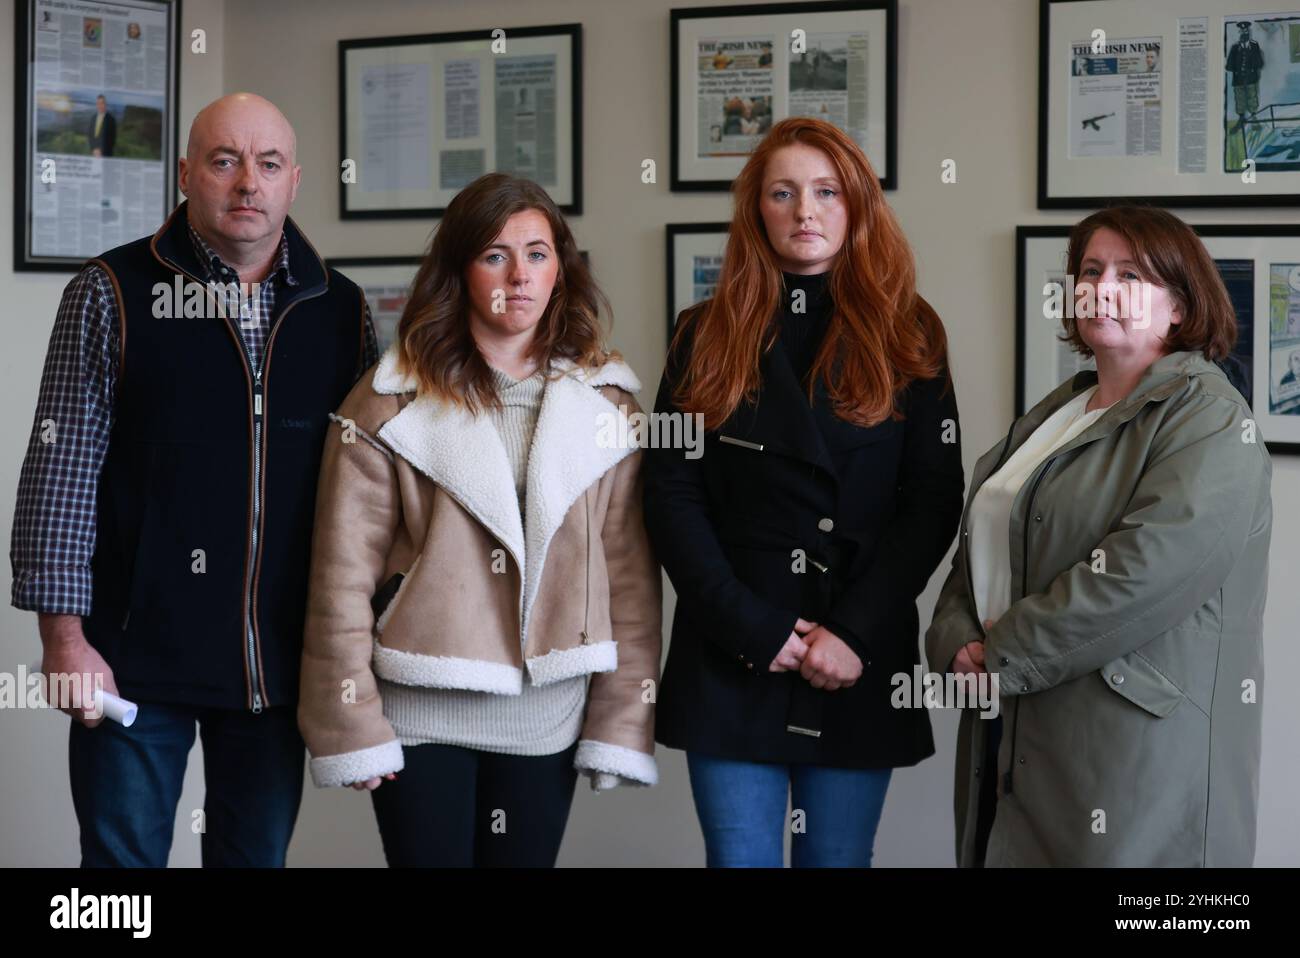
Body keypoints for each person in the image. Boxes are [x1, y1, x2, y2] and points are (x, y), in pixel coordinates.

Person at [10, 93, 378, 866]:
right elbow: (61, 469)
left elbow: (369, 494)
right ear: (185, 174)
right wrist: (64, 639)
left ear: (294, 181)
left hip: (277, 664)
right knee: (119, 880)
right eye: (224, 161)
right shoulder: (110, 291)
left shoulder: (340, 310)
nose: (248, 182)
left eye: (268, 164)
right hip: (130, 659)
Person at [297, 172, 661, 868]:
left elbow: (630, 583)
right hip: (418, 710)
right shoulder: (386, 403)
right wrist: (349, 720)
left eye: (538, 252)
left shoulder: (608, 406)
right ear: (459, 271)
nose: (518, 275)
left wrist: (621, 720)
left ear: (562, 267)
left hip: (546, 717)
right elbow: (339, 579)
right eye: (495, 254)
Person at [644, 116, 964, 868]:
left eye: (825, 191)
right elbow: (669, 494)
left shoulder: (912, 333)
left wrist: (852, 633)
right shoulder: (701, 334)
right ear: (757, 209)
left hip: (857, 651)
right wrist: (750, 627)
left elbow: (932, 500)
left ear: (856, 206)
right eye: (782, 193)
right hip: (733, 652)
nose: (804, 211)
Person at [926, 206, 1272, 867]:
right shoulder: (1057, 412)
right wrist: (950, 639)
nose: (1100, 287)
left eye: (1131, 274)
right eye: (1089, 270)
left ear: (1179, 304)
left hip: (1129, 751)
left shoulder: (1211, 419)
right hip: (1007, 729)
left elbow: (1139, 577)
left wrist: (998, 653)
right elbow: (983, 548)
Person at [1226, 21, 1264, 132]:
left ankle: (1254, 121)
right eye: (1242, 31)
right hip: (1238, 80)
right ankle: (1240, 122)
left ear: (1249, 32)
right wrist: (1237, 69)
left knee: (1252, 99)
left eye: (1246, 31)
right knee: (1240, 100)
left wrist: (1251, 69)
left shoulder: (1254, 45)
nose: (1244, 33)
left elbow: (1260, 63)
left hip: (1251, 79)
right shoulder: (1234, 47)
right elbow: (1228, 66)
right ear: (1239, 33)